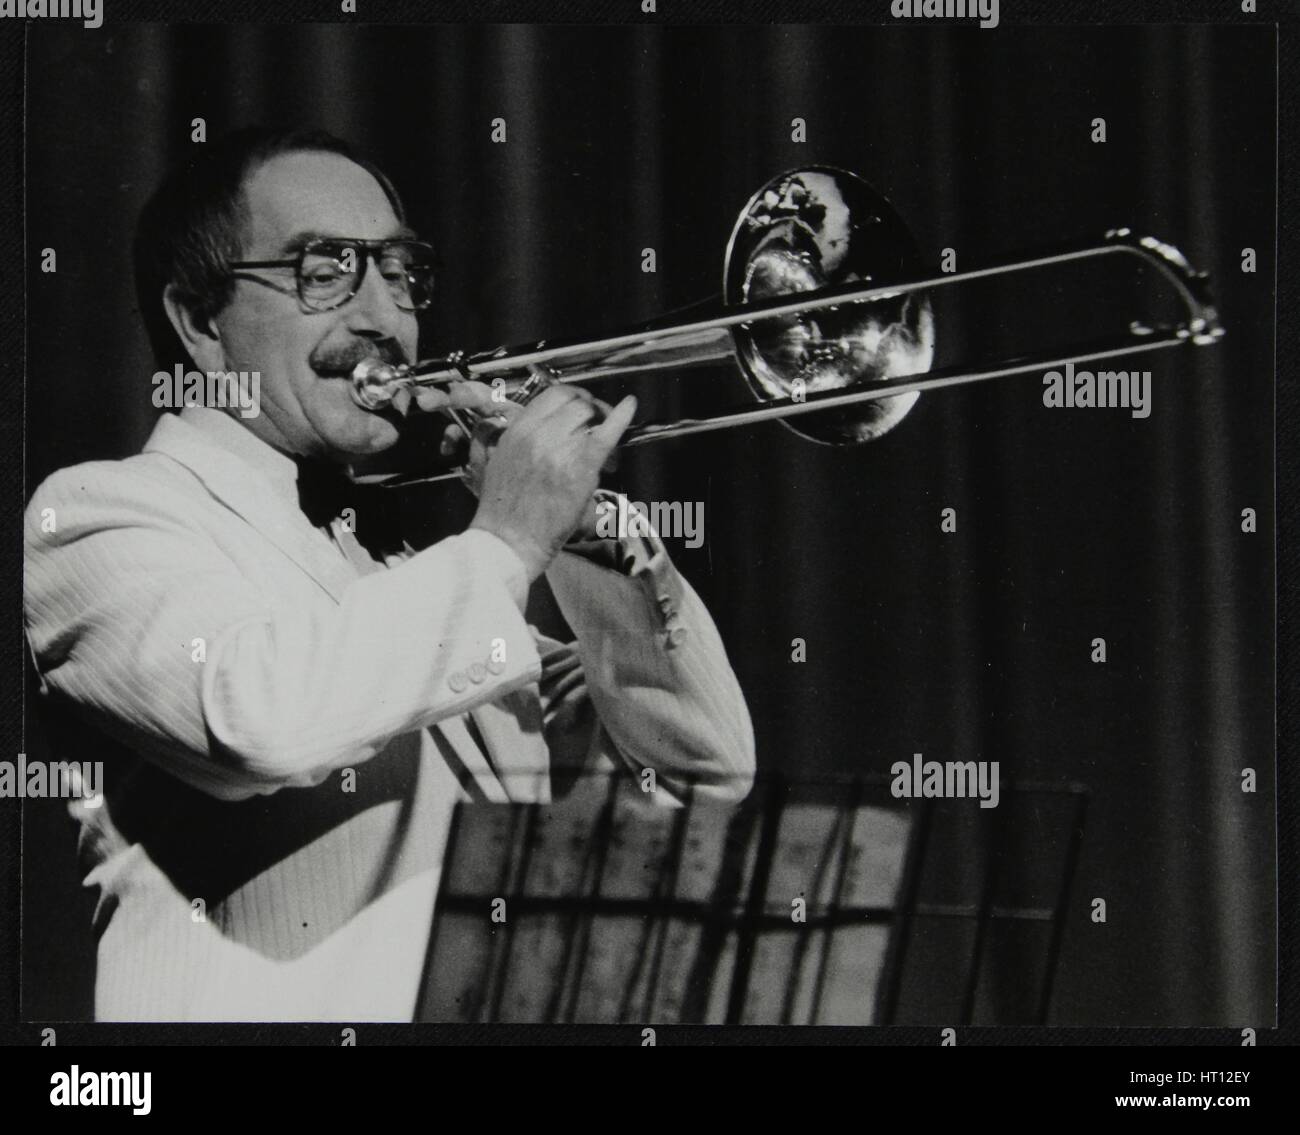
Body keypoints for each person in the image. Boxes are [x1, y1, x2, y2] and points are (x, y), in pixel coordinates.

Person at [23, 127, 755, 1021]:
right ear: (199, 321)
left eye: (399, 274)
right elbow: (257, 718)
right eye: (325, 271)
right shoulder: (99, 513)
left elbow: (696, 781)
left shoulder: (419, 581)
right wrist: (512, 539)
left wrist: (580, 539)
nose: (385, 318)